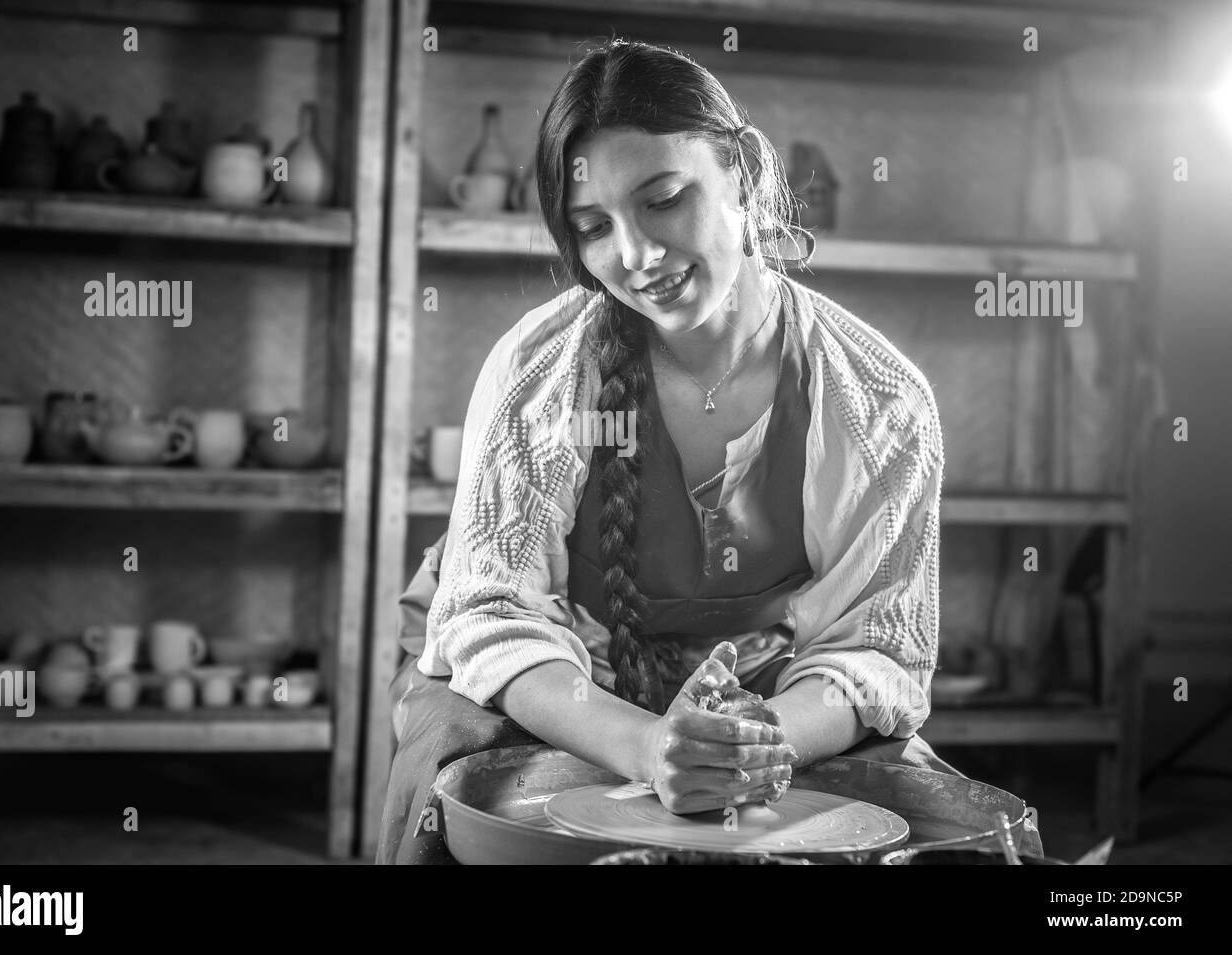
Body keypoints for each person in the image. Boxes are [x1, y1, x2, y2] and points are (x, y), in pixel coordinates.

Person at [379, 38, 968, 865]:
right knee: (463, 779)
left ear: (743, 171)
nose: (637, 256)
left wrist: (751, 746)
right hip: (547, 671)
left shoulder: (878, 398)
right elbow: (493, 616)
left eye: (663, 199)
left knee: (931, 817)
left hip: (760, 690)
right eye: (594, 228)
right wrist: (649, 747)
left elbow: (874, 648)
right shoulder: (543, 372)